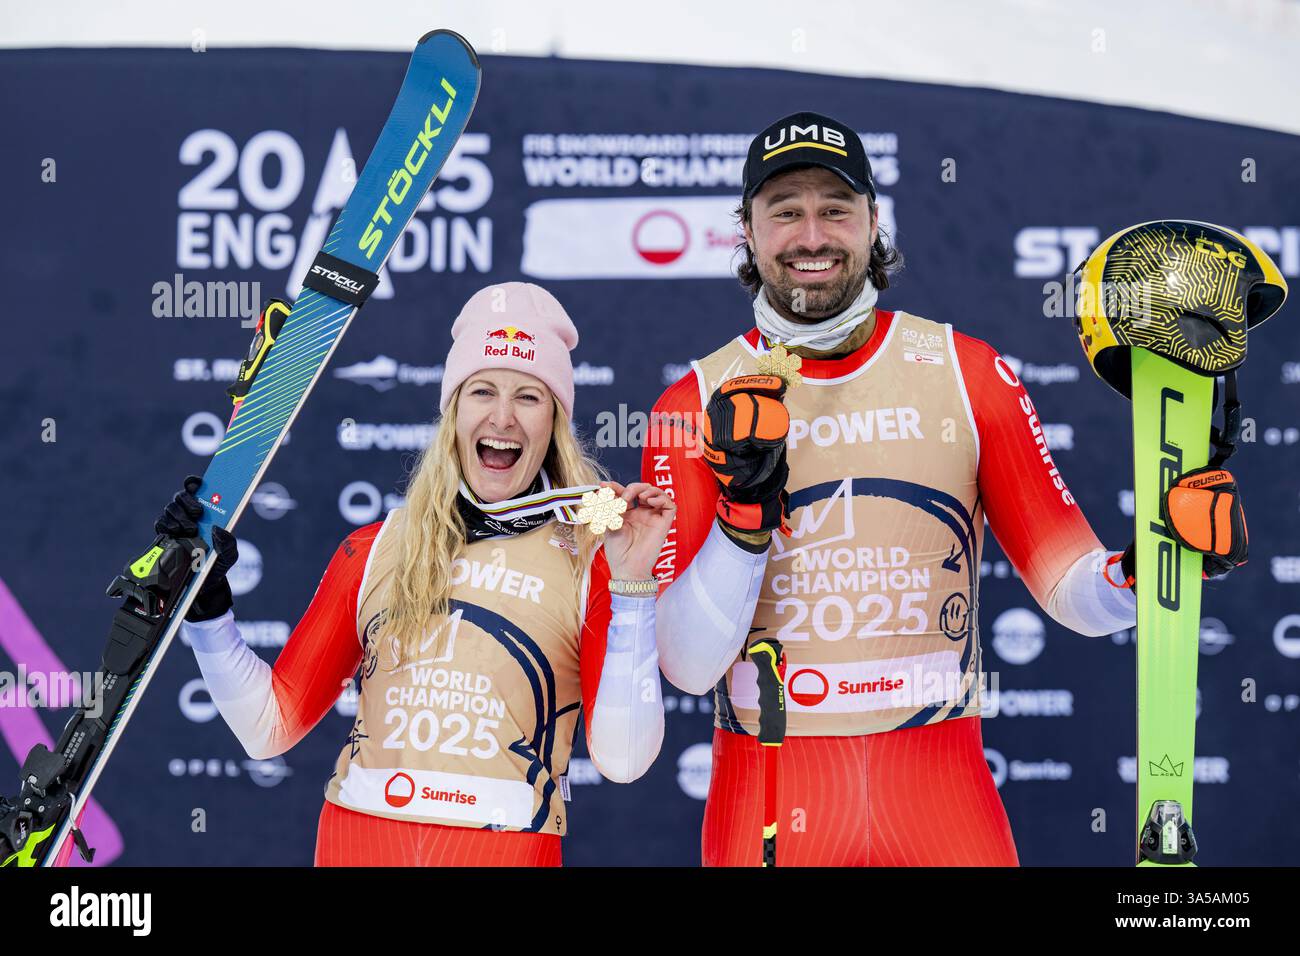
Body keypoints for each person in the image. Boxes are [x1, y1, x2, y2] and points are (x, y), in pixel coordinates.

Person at [643, 111, 1250, 866]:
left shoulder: (966, 372)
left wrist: (1159, 563)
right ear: (747, 230)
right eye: (784, 212)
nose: (811, 236)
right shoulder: (692, 404)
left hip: (941, 798)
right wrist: (740, 522)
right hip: (768, 796)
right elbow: (686, 666)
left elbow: (1074, 593)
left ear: (873, 222)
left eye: (835, 209)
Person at [168, 282, 673, 866]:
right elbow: (267, 728)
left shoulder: (592, 557)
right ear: (453, 411)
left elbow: (625, 759)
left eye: (529, 397)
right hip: (355, 843)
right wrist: (208, 614)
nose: (502, 416)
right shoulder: (378, 547)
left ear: (555, 422)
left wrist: (635, 586)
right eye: (481, 390)